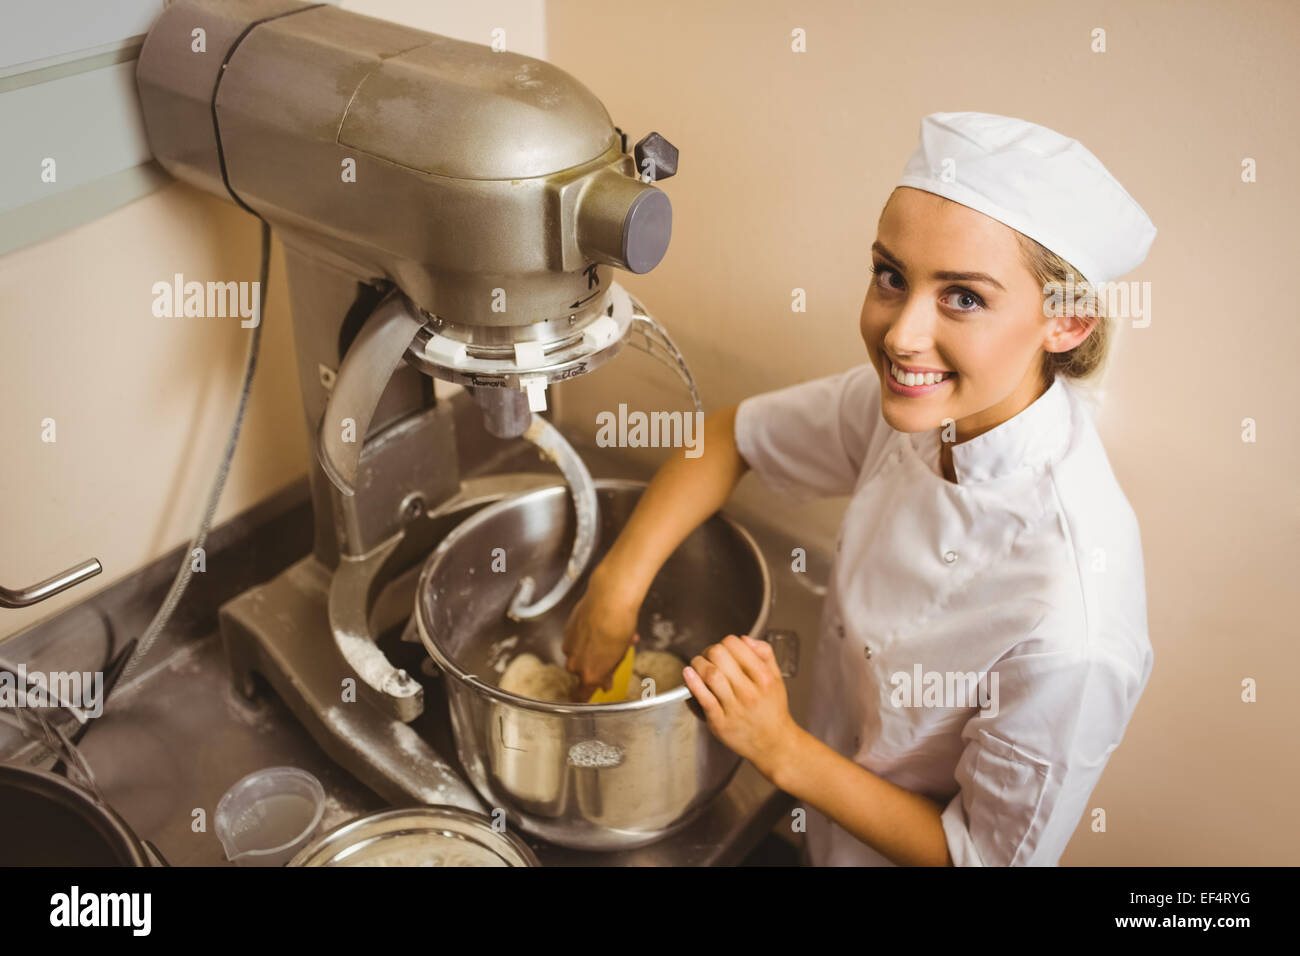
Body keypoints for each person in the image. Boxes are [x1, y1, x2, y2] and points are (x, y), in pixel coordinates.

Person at [562, 111, 1157, 866]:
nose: (902, 335)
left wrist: (780, 749)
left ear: (1065, 324)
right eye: (891, 276)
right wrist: (615, 588)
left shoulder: (1073, 625)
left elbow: (977, 857)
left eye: (964, 297)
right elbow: (727, 438)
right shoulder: (930, 408)